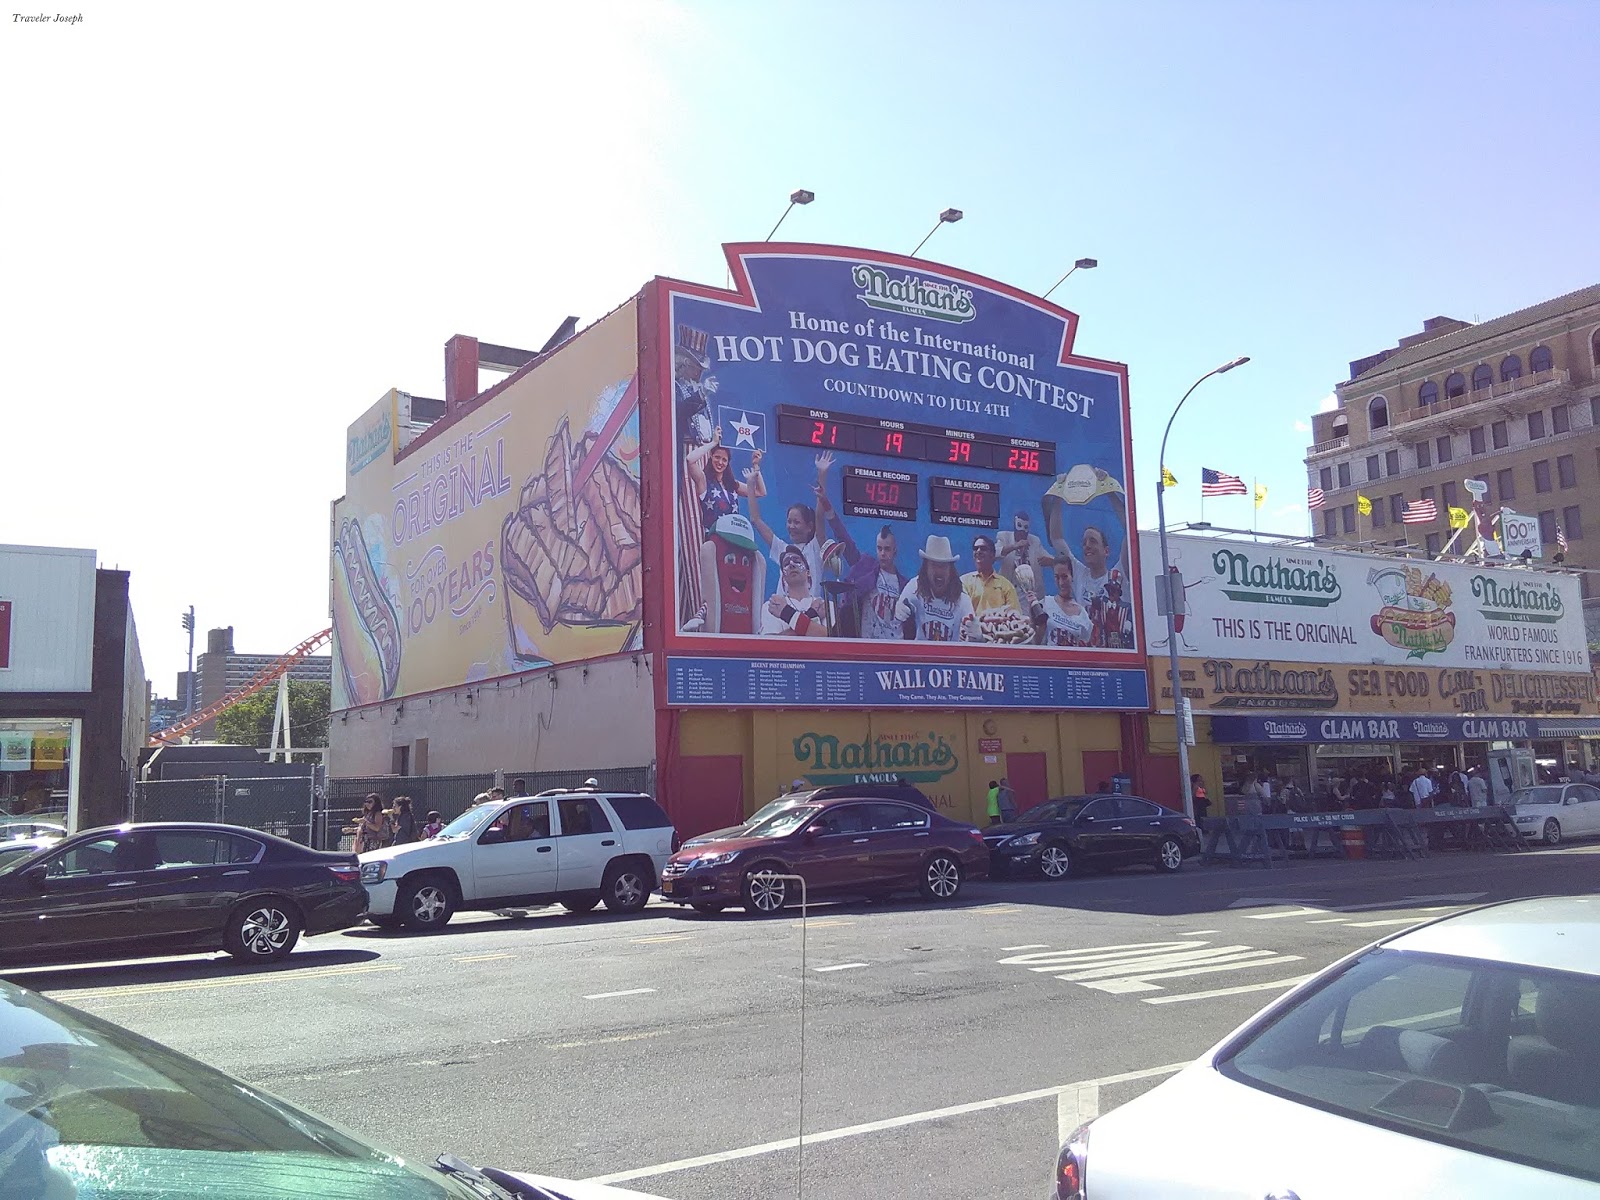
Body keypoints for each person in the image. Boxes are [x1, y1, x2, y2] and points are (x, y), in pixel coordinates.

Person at [746, 451, 826, 587]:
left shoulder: (815, 549)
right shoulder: (783, 549)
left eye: (797, 522)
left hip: (809, 608)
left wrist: (822, 476)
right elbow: (755, 519)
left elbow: (820, 516)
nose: (791, 526)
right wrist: (750, 485)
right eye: (789, 521)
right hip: (783, 608)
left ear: (809, 526)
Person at [895, 535, 975, 642]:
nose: (939, 571)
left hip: (950, 657)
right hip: (920, 656)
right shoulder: (914, 586)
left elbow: (971, 638)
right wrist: (898, 612)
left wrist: (976, 636)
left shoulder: (963, 598)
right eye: (934, 565)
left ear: (951, 570)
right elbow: (896, 626)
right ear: (926, 568)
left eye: (943, 566)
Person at [685, 426, 755, 529]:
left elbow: (759, 492)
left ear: (728, 463)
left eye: (724, 460)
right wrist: (713, 443)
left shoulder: (732, 484)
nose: (720, 462)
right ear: (711, 456)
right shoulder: (704, 481)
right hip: (714, 538)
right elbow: (690, 459)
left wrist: (756, 467)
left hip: (733, 538)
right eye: (717, 457)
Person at [763, 545, 829, 636]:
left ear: (808, 572)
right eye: (786, 564)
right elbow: (771, 644)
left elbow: (830, 637)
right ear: (783, 577)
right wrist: (812, 616)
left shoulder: (824, 605)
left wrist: (786, 613)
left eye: (797, 561)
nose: (791, 564)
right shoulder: (772, 606)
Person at [1032, 559, 1093, 646]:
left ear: (1072, 576)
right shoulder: (1045, 603)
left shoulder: (1082, 614)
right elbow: (1034, 643)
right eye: (1057, 577)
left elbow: (1086, 648)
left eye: (1064, 577)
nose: (1061, 582)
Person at [961, 535, 1021, 617]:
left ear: (992, 555)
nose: (978, 551)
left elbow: (1015, 615)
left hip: (999, 628)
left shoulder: (1006, 585)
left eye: (983, 548)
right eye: (975, 549)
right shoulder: (964, 582)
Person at [997, 510, 1054, 594]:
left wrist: (1053, 562)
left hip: (1031, 594)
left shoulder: (1034, 541)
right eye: (1019, 526)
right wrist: (1014, 546)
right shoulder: (1004, 537)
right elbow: (994, 553)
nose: (1022, 532)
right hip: (1008, 592)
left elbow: (1050, 558)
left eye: (1025, 528)